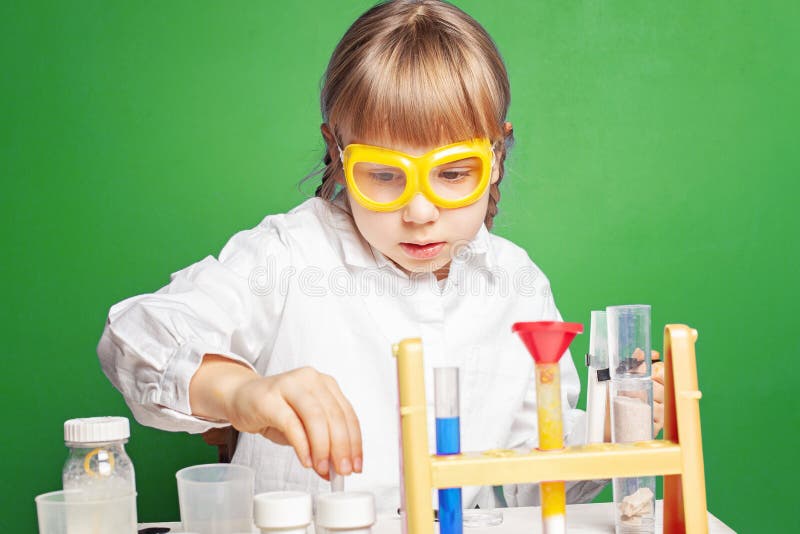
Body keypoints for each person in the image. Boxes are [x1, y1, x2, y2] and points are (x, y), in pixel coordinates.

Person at [97, 0, 664, 512]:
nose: (420, 211)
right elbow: (136, 338)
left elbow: (538, 477)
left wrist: (620, 428)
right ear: (339, 156)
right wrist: (242, 393)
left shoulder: (516, 283)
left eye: (452, 173)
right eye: (385, 175)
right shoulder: (290, 254)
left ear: (495, 155)